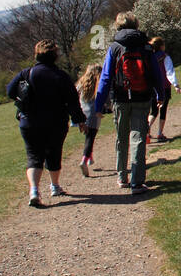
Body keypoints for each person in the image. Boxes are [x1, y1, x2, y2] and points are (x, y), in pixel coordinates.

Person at [6, 40, 86, 208]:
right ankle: (55, 186)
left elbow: (10, 91)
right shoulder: (61, 76)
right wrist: (79, 120)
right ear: (55, 56)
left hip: (29, 122)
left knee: (34, 156)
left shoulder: (26, 73)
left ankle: (34, 191)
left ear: (37, 55)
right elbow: (73, 101)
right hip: (56, 122)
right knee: (54, 153)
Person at [93, 12, 164, 195]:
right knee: (138, 138)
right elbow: (157, 74)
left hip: (120, 97)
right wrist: (160, 95)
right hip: (142, 97)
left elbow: (106, 77)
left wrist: (99, 103)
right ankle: (137, 182)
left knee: (121, 137)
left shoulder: (115, 47)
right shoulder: (146, 48)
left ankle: (122, 176)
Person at [147, 37, 175, 142]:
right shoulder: (165, 57)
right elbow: (169, 71)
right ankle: (160, 133)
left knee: (153, 111)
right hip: (164, 87)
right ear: (161, 46)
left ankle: (147, 130)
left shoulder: (151, 57)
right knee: (163, 110)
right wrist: (175, 84)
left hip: (153, 87)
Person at [75, 63, 101, 178]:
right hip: (93, 114)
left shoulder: (81, 83)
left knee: (88, 135)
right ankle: (84, 160)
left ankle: (90, 158)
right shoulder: (98, 84)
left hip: (82, 113)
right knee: (90, 137)